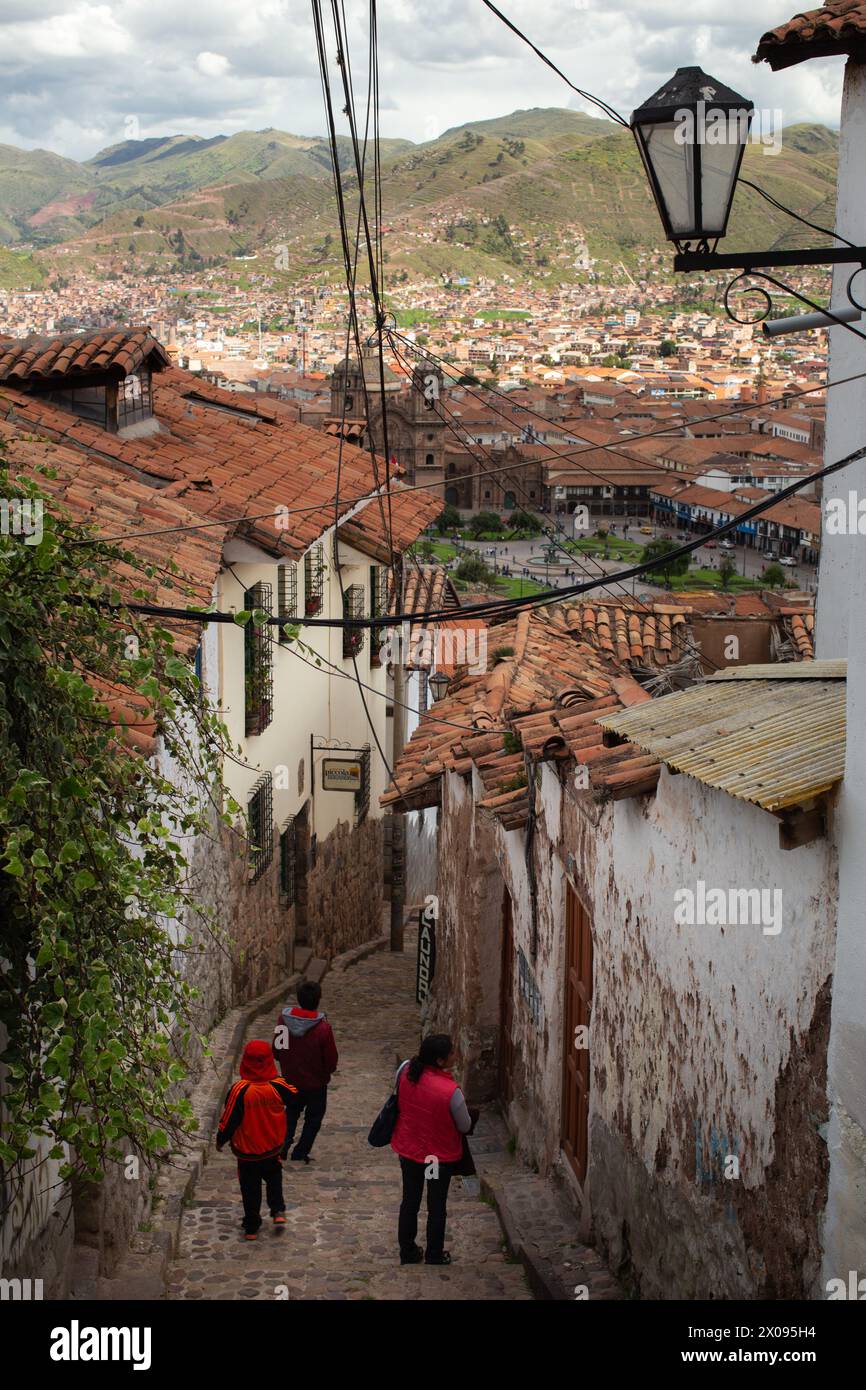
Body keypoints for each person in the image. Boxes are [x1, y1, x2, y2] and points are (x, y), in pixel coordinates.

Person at [391, 1033, 472, 1266]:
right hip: (436, 1158)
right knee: (436, 1205)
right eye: (452, 1053)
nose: (455, 1055)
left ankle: (407, 1251)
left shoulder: (405, 1072)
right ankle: (434, 1254)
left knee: (410, 1201)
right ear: (440, 1061)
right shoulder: (450, 1091)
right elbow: (464, 1125)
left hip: (409, 1151)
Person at [216, 1039, 299, 1240]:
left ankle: (252, 1227)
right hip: (272, 1147)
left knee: (249, 1188)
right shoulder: (278, 1085)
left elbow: (229, 1120)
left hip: (247, 1153)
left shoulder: (239, 1090)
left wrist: (221, 1140)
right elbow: (296, 1098)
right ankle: (278, 1211)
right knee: (274, 1178)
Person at [272, 979, 339, 1164]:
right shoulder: (323, 1029)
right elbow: (331, 1060)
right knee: (314, 1119)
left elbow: (277, 1050)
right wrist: (324, 1072)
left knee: (291, 1112)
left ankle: (282, 1146)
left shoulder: (283, 1021)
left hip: (290, 1079)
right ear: (318, 1000)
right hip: (316, 1084)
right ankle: (300, 1152)